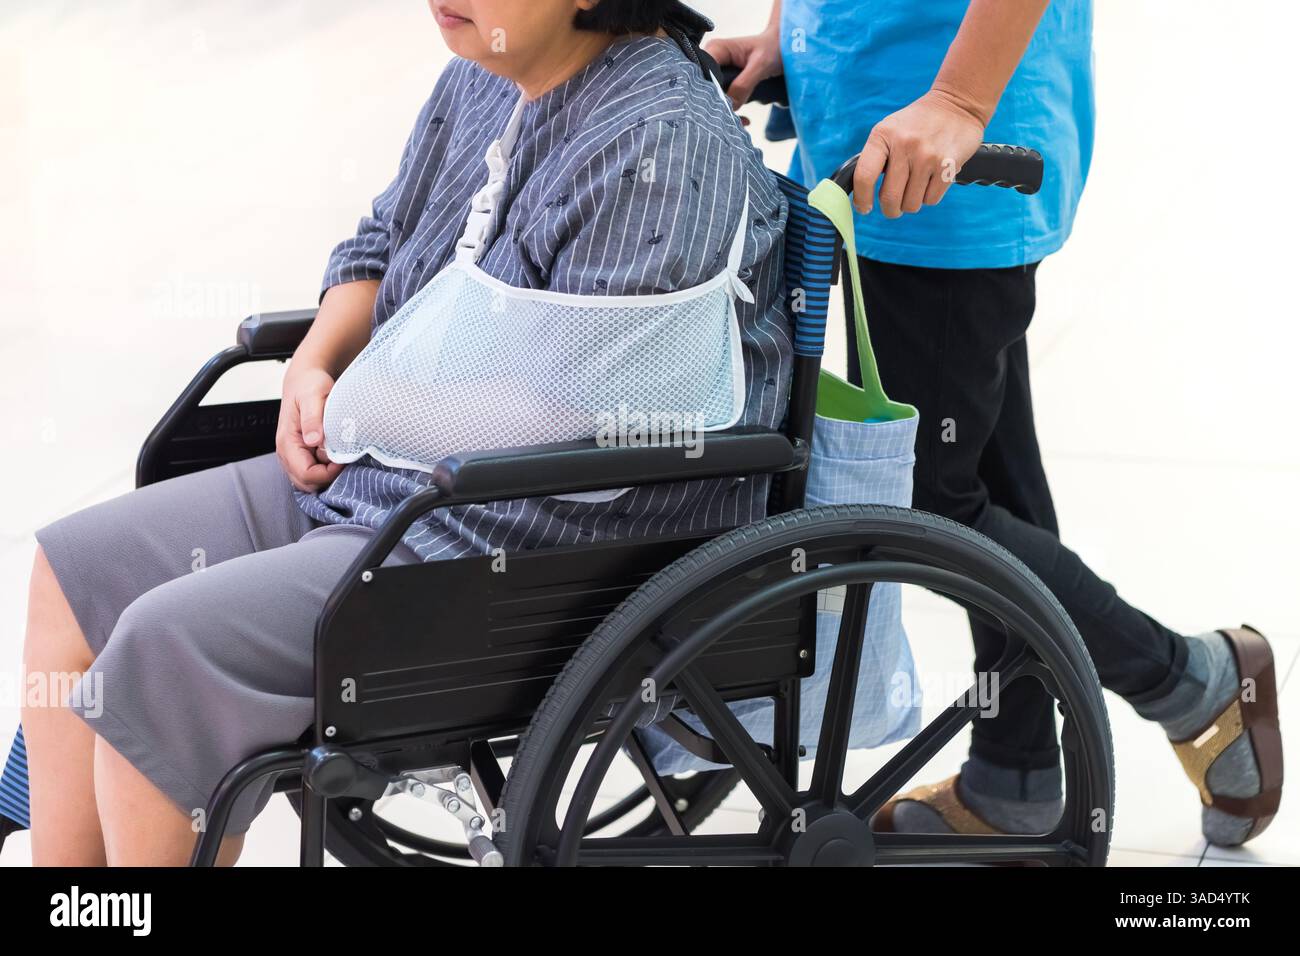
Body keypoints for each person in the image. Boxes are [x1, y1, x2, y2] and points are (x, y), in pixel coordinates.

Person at [14, 0, 792, 865]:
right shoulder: (485, 73)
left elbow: (596, 421)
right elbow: (380, 243)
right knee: (73, 573)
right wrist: (315, 364)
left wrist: (378, 405)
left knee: (164, 657)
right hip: (379, 476)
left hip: (516, 535)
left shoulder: (661, 146)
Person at [708, 0, 1282, 846]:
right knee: (980, 478)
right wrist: (790, 32)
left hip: (951, 159)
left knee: (931, 505)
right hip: (878, 131)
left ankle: (1191, 680)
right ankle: (1014, 773)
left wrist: (963, 102)